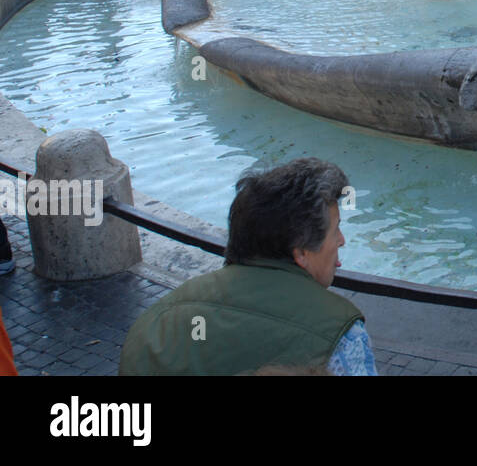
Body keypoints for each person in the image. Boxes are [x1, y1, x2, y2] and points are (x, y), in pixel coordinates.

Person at [120, 158, 375, 376]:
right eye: (336, 229)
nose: (342, 240)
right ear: (301, 252)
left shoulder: (157, 320)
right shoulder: (340, 334)